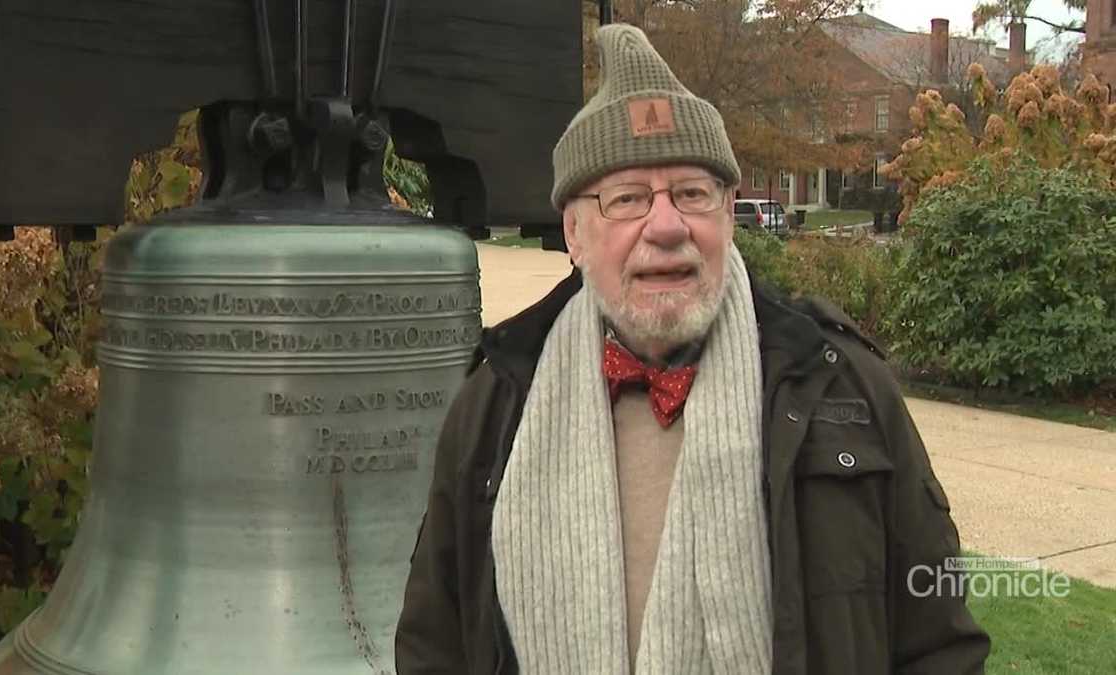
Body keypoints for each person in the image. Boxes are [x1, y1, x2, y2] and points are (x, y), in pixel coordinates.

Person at [395, 23, 989, 675]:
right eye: (627, 199)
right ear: (574, 232)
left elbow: (939, 644)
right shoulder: (498, 401)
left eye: (692, 193)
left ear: (728, 212)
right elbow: (435, 645)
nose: (668, 225)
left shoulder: (842, 386)